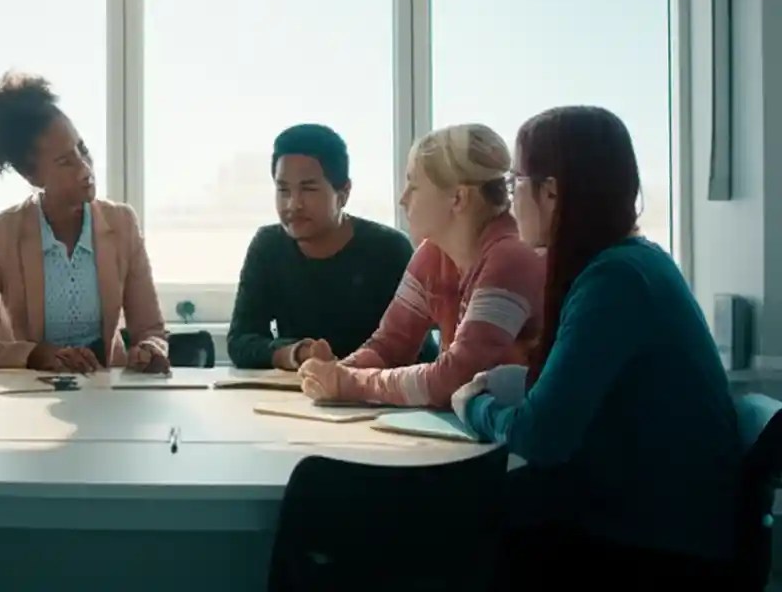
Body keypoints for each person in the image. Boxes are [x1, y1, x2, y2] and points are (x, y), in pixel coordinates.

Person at [451, 107, 738, 587]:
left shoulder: (614, 280)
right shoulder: (634, 264)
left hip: (655, 550)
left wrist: (474, 405)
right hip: (655, 527)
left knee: (454, 535)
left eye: (514, 181)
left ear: (551, 192)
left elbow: (543, 437)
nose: (509, 200)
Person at [298, 124, 543, 408]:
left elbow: (455, 379)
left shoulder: (510, 258)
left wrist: (347, 383)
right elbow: (390, 345)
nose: (403, 199)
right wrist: (334, 373)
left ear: (458, 198)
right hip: (466, 432)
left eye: (413, 186)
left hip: (512, 444)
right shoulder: (433, 253)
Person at [0, 72, 169, 373]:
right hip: (30, 396)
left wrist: (150, 349)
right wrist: (34, 355)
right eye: (65, 162)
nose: (85, 169)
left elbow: (151, 330)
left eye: (83, 150)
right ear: (32, 177)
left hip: (106, 391)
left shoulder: (122, 224)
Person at [228, 124, 437, 370]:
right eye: (283, 190)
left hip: (382, 396)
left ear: (344, 193)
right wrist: (296, 355)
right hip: (303, 396)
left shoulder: (388, 249)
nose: (293, 204)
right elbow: (240, 340)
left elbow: (420, 353)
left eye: (308, 189)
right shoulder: (268, 247)